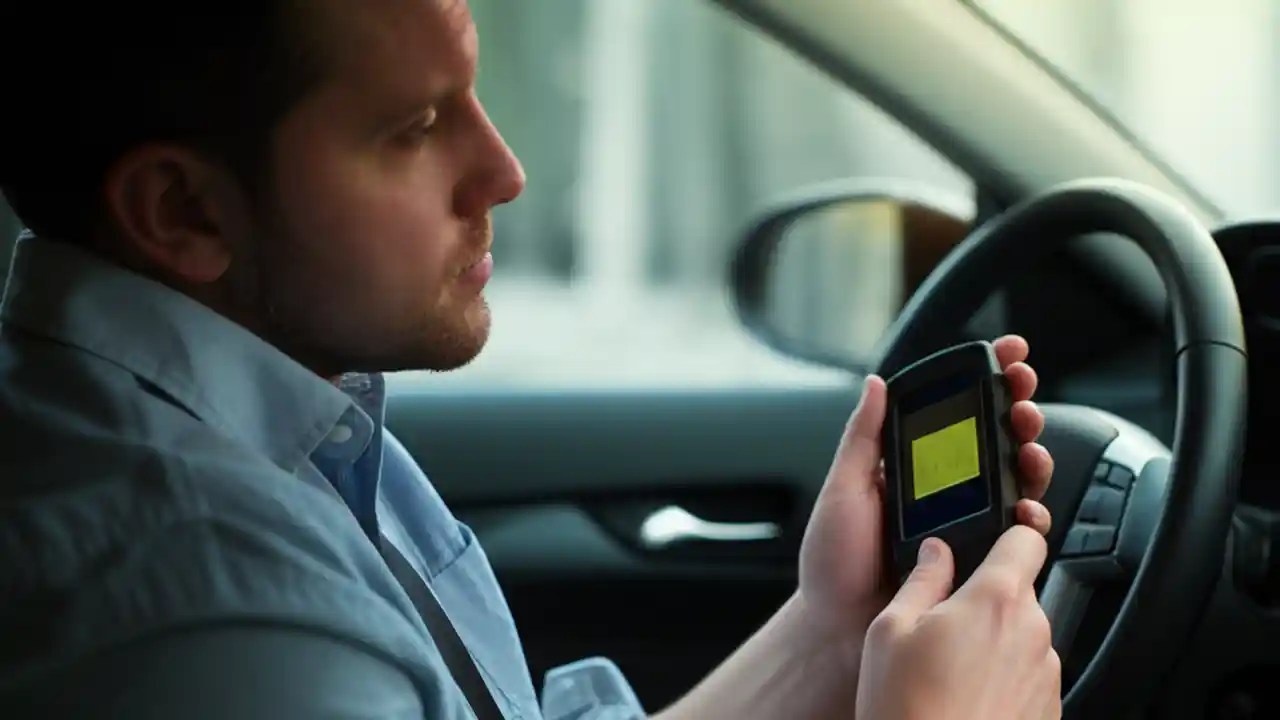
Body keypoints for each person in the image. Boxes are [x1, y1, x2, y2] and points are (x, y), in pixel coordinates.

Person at [0, 2, 1060, 718]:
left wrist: (832, 632)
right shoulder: (216, 617)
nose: (503, 172)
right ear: (183, 211)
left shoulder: (289, 426)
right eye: (415, 126)